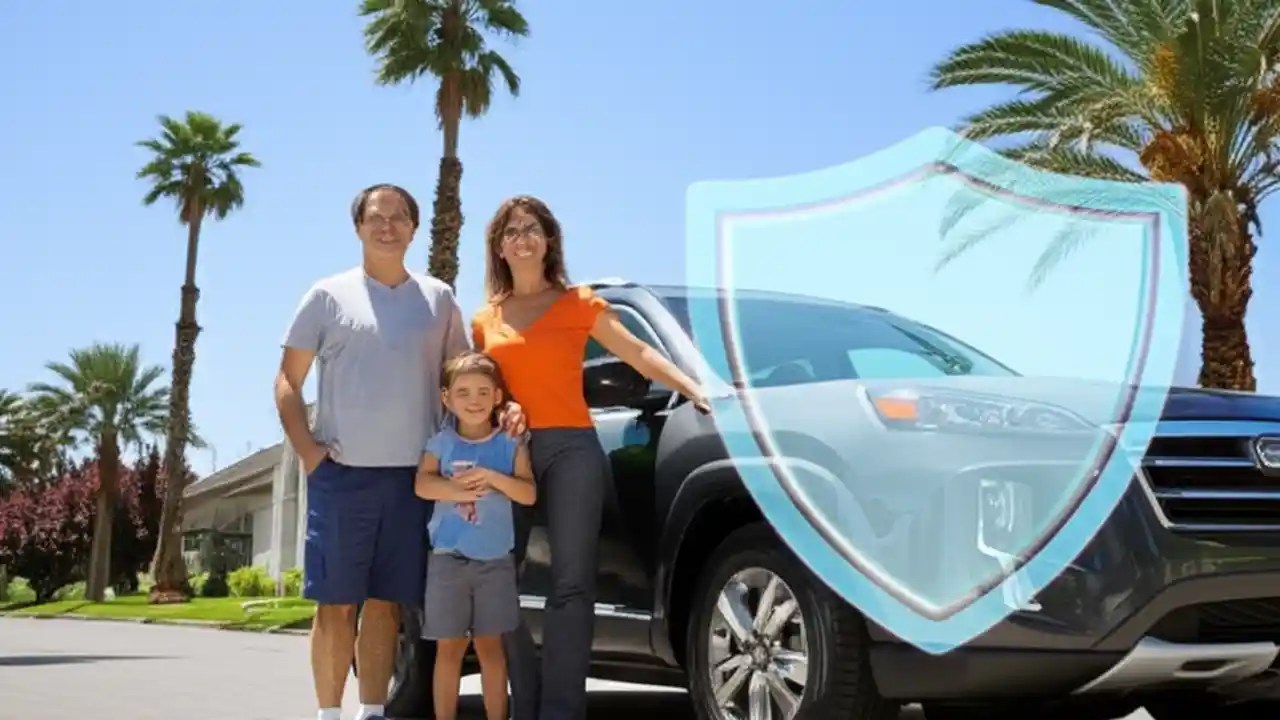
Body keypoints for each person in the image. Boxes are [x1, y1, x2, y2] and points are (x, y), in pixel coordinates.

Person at [274, 183, 525, 720]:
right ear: (358, 227)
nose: (386, 226)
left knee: (386, 603)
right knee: (336, 604)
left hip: (414, 480)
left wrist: (507, 409)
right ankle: (328, 713)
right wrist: (310, 454)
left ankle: (371, 712)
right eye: (375, 218)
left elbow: (467, 380)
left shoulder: (438, 299)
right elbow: (287, 382)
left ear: (414, 228)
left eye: (398, 218)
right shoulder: (326, 296)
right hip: (341, 476)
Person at [471, 195, 711, 720]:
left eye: (532, 228)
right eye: (511, 232)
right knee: (499, 580)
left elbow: (639, 353)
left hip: (574, 450)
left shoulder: (579, 304)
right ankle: (524, 700)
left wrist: (696, 387)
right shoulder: (486, 320)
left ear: (549, 239)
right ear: (499, 248)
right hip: (511, 453)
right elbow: (483, 389)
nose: (522, 238)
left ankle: (561, 710)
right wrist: (506, 406)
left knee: (571, 585)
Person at [415, 350, 536, 720]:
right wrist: (457, 491)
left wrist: (495, 479)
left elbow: (528, 493)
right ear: (446, 398)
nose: (474, 401)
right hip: (447, 561)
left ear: (498, 396)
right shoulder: (441, 443)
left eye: (484, 392)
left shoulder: (510, 445)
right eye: (464, 393)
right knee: (449, 648)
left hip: (495, 562)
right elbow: (422, 485)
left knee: (491, 649)